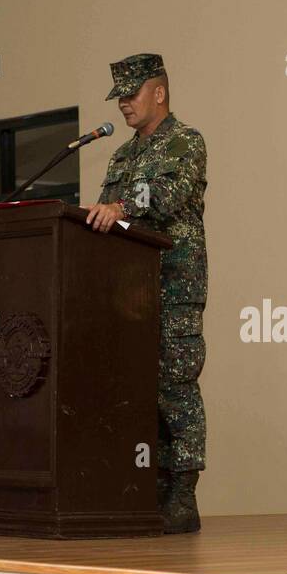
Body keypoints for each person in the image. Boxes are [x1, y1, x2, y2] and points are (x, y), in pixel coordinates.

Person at [85, 53, 208, 534]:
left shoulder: (186, 142)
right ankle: (148, 486)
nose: (123, 106)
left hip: (174, 287)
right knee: (136, 390)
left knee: (175, 387)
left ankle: (182, 493)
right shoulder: (121, 155)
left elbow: (171, 195)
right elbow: (108, 216)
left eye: (131, 95)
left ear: (159, 92)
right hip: (128, 293)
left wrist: (117, 206)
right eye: (119, 98)